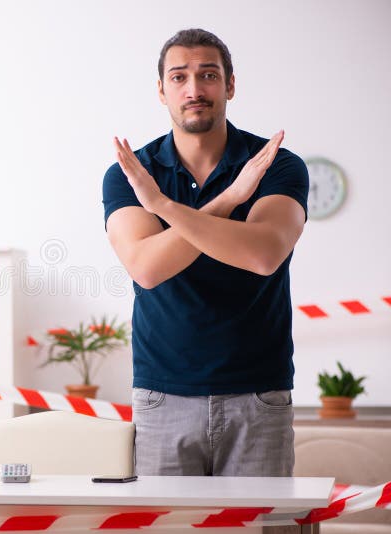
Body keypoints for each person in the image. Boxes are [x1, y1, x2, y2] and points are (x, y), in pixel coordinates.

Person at [102, 28, 308, 477]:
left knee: (261, 519)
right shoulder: (132, 174)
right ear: (162, 91)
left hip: (259, 395)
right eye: (179, 77)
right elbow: (147, 267)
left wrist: (163, 209)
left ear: (230, 85)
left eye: (208, 75)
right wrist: (229, 199)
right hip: (162, 397)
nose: (194, 89)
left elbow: (263, 255)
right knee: (167, 518)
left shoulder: (275, 164)